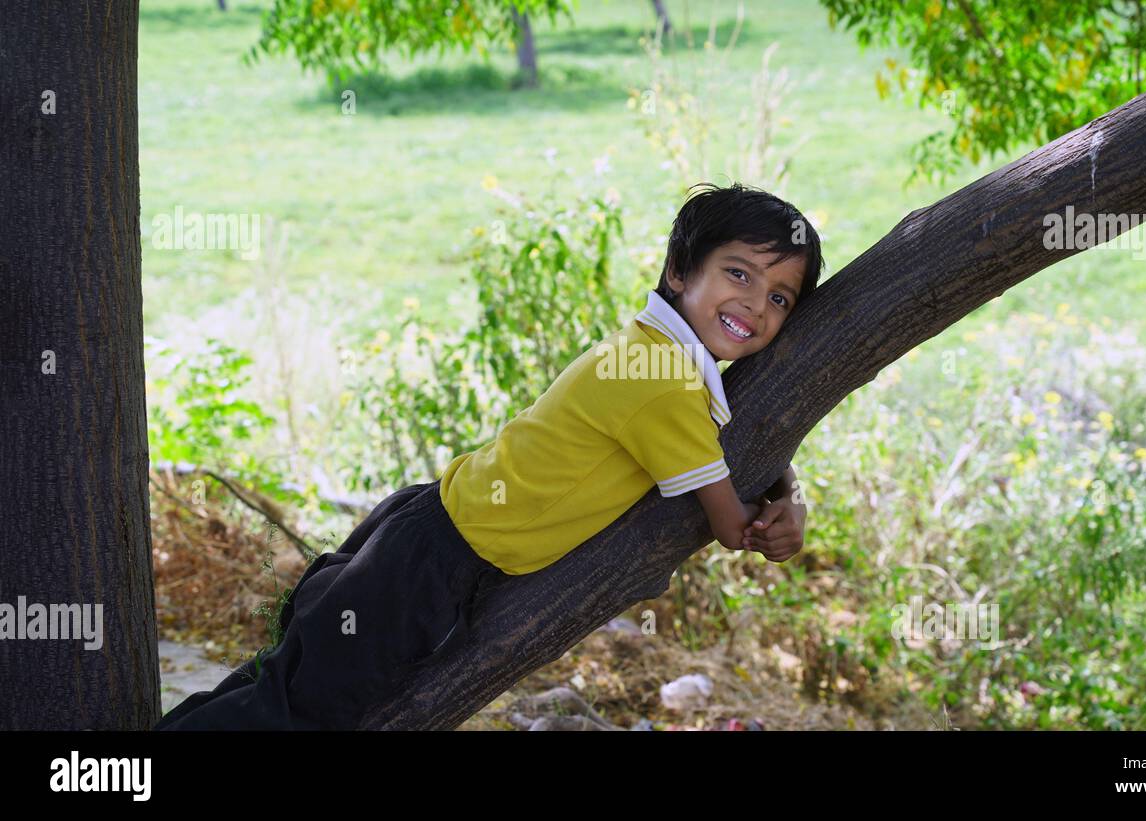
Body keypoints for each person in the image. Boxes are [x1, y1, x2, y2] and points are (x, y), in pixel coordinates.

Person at [155, 181, 822, 730]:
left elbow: (736, 463)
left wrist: (787, 491)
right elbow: (733, 524)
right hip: (432, 565)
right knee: (302, 711)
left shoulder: (657, 355)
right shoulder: (662, 381)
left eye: (779, 297)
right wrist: (782, 513)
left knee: (284, 684)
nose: (755, 305)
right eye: (738, 273)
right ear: (679, 271)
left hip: (427, 526)